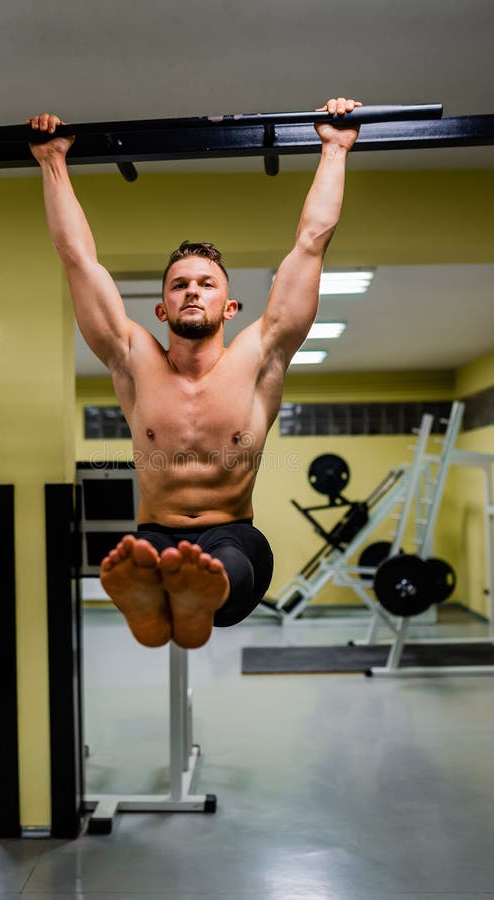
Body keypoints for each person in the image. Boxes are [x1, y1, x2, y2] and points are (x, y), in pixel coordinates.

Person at [28, 97, 361, 650]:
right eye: (179, 284)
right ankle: (163, 600)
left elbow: (311, 244)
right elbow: (78, 260)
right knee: (151, 558)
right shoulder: (133, 360)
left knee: (229, 561)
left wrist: (334, 149)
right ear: (161, 309)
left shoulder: (261, 357)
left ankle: (194, 596)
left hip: (235, 531)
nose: (192, 291)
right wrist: (53, 162)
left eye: (206, 283)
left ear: (230, 308)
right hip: (157, 533)